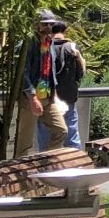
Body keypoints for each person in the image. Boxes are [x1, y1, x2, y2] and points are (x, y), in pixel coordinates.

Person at [16, 12, 70, 154]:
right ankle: (19, 172)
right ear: (36, 25)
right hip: (30, 99)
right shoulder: (27, 43)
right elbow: (23, 73)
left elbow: (49, 71)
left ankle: (45, 163)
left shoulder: (50, 42)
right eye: (45, 24)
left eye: (51, 24)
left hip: (48, 97)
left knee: (61, 130)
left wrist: (55, 96)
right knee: (24, 142)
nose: (48, 27)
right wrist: (32, 97)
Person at [50, 19, 86, 147]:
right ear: (65, 31)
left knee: (47, 136)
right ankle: (75, 163)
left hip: (48, 99)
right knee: (72, 135)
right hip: (68, 97)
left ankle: (48, 164)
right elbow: (81, 73)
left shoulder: (44, 47)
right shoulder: (72, 47)